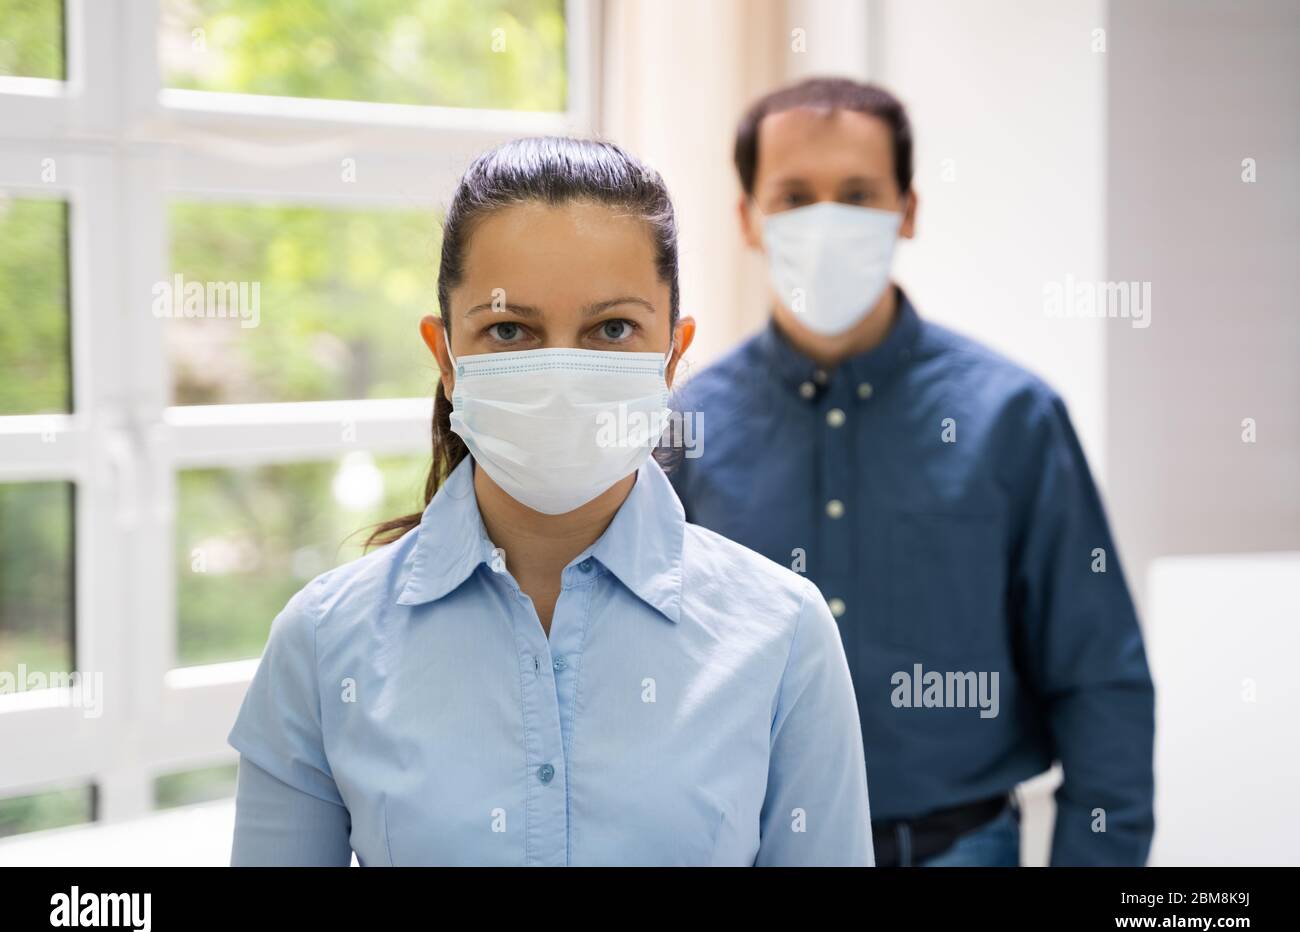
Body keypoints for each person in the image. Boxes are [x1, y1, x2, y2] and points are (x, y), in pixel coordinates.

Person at [227, 136, 873, 866]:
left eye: (612, 328)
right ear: (446, 357)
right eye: (510, 330)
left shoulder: (783, 633)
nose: (564, 371)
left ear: (673, 352)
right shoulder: (321, 642)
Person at [669, 77, 1155, 866]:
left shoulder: (1014, 419)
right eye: (794, 196)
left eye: (858, 194)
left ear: (909, 208)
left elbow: (1100, 681)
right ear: (747, 219)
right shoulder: (677, 431)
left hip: (962, 846)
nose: (826, 220)